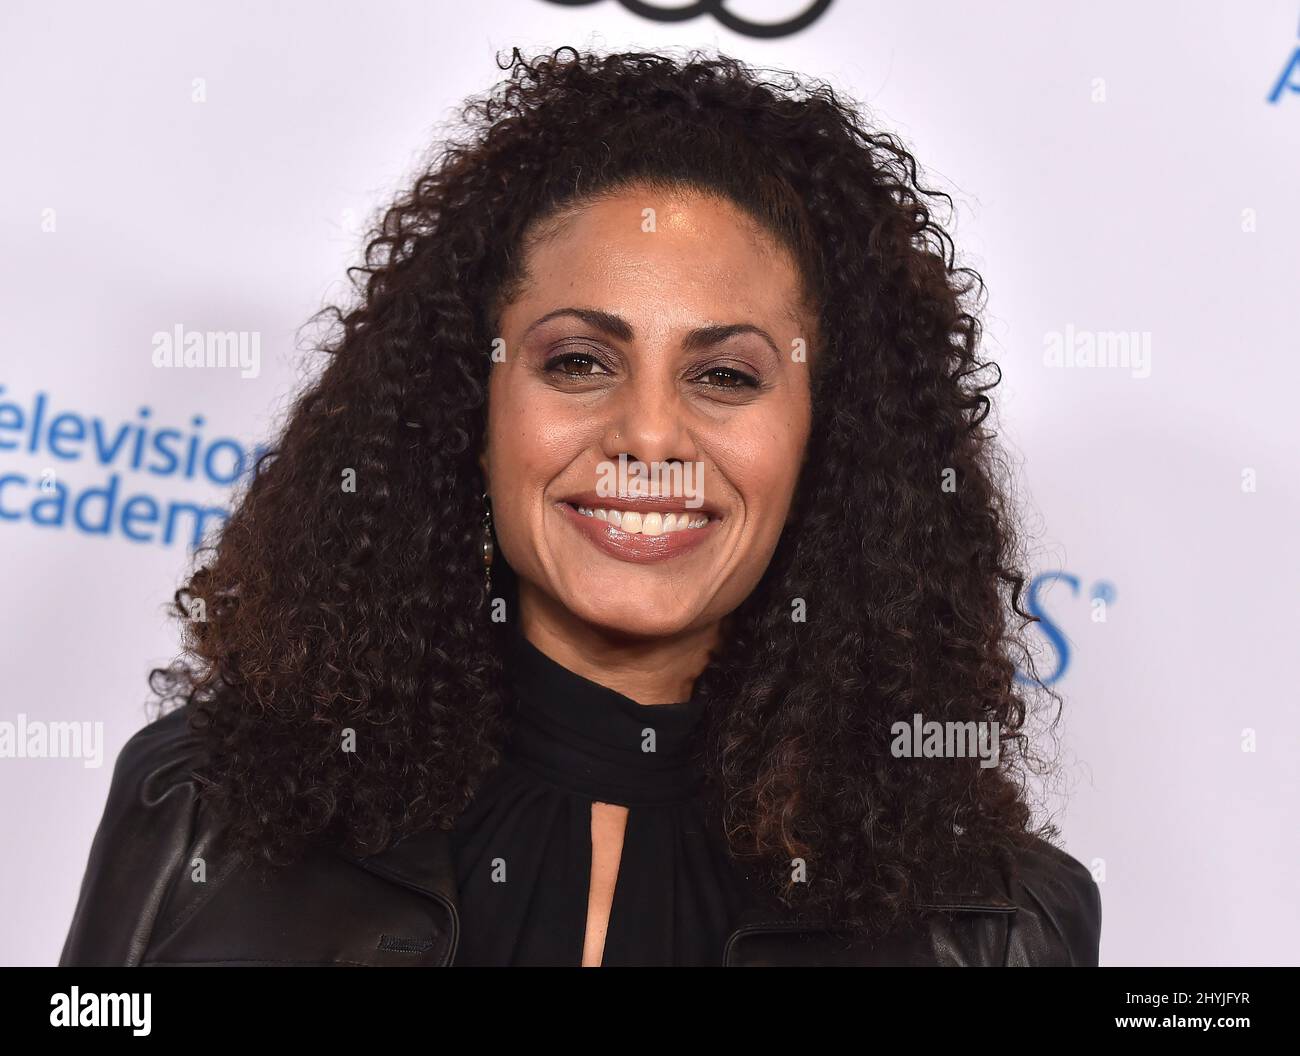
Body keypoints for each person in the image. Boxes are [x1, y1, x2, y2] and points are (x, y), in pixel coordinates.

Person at [60, 46, 1101, 967]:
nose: (648, 435)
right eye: (577, 361)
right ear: (469, 408)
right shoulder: (203, 809)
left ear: (826, 444)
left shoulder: (994, 927)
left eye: (727, 376)